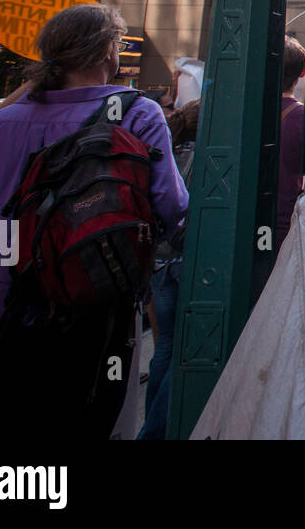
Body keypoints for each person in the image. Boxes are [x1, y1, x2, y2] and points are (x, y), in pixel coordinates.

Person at [0, 3, 189, 439]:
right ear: (106, 54)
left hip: (2, 325)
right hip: (96, 321)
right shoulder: (135, 114)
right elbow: (170, 209)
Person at [138, 98, 198, 439]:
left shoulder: (166, 152)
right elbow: (177, 206)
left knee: (164, 347)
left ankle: (152, 422)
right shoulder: (206, 156)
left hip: (158, 262)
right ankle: (156, 430)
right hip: (187, 256)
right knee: (185, 352)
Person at [275, 36, 305, 251]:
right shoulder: (303, 117)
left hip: (240, 223)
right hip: (285, 227)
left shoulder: (247, 111)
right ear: (302, 72)